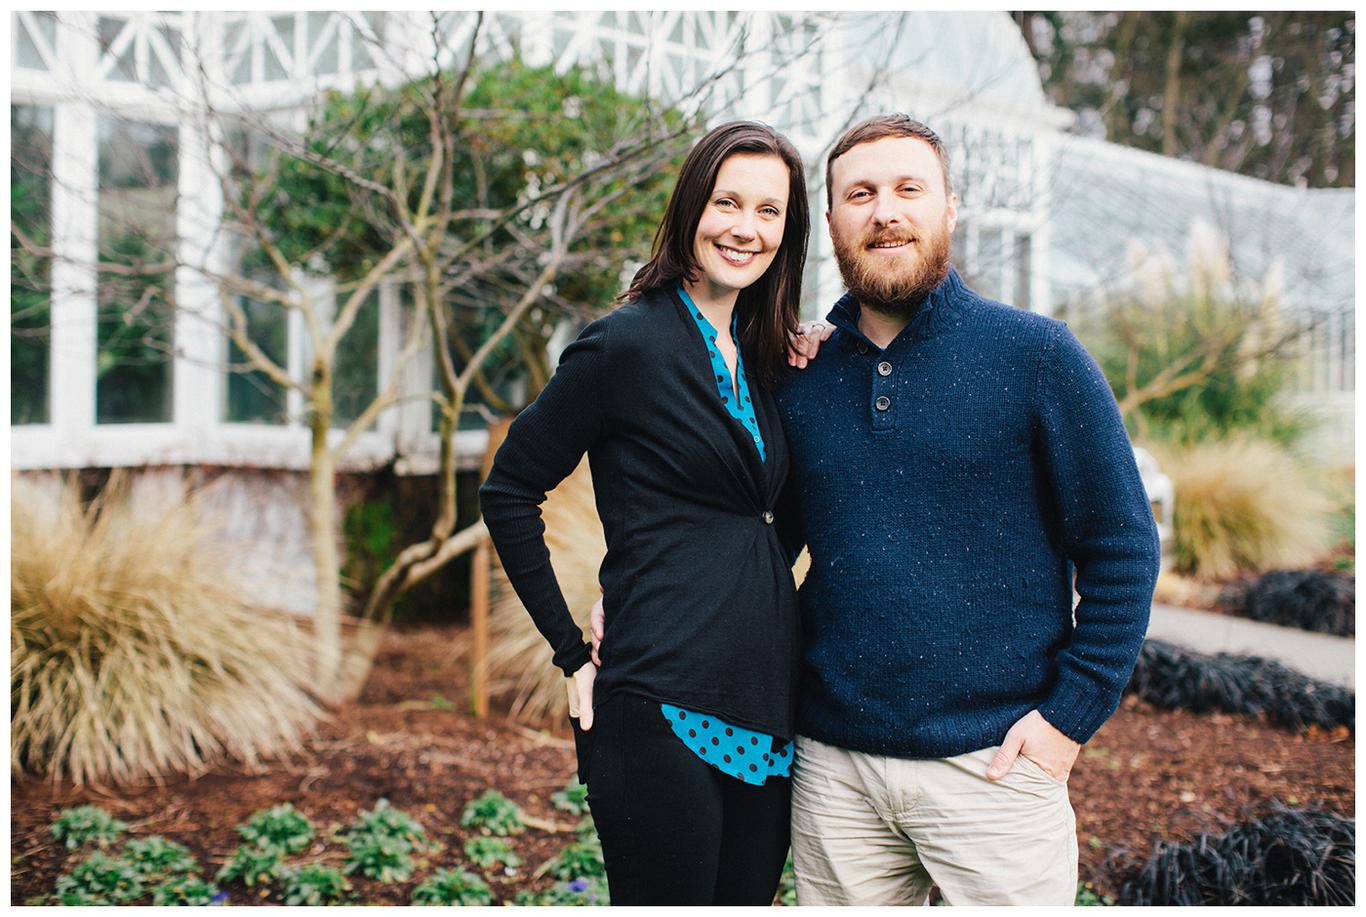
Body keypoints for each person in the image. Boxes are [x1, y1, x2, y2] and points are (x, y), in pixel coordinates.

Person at [775, 114, 1161, 905]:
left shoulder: (1037, 357)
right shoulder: (799, 376)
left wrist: (1068, 718)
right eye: (861, 193)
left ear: (950, 209)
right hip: (833, 771)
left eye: (908, 189)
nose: (886, 211)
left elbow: (1121, 544)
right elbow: (758, 543)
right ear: (834, 222)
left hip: (993, 767)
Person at [478, 121, 810, 906]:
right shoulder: (625, 345)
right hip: (657, 702)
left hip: (764, 709)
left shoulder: (767, 360)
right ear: (691, 205)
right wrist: (570, 651)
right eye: (727, 201)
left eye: (769, 211)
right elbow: (508, 491)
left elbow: (764, 520)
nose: (746, 227)